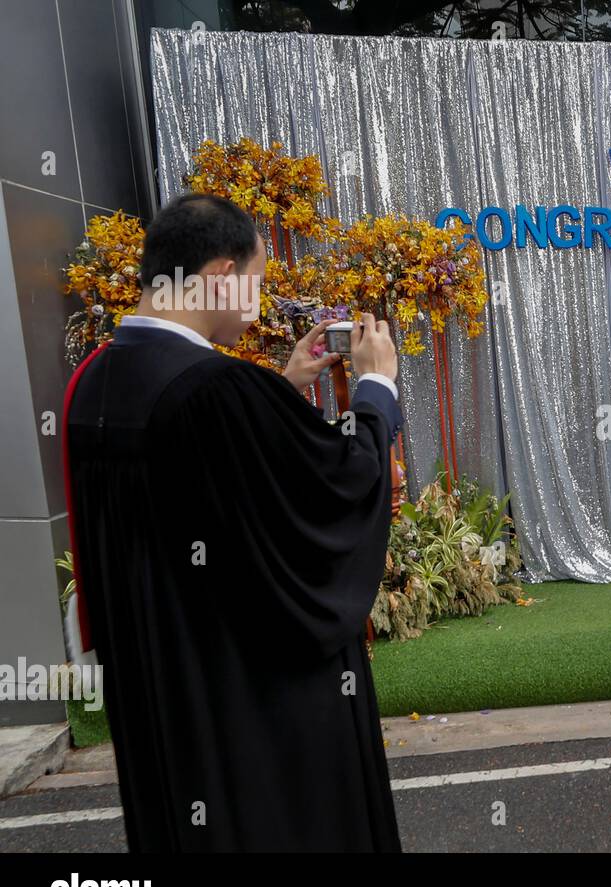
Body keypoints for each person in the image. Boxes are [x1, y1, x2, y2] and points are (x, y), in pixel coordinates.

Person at [63, 192, 403, 851]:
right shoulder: (216, 390)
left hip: (162, 704)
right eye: (255, 282)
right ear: (219, 276)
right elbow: (340, 488)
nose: (257, 302)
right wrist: (375, 390)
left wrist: (281, 383)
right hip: (251, 714)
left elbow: (208, 480)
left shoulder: (95, 381)